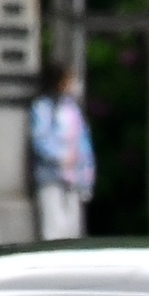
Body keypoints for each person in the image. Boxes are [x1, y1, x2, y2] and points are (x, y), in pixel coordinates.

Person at [28, 61, 96, 241]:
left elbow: (83, 141)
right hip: (51, 175)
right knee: (53, 226)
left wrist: (87, 171)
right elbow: (40, 139)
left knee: (72, 228)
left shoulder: (72, 108)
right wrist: (60, 157)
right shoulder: (43, 107)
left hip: (75, 176)